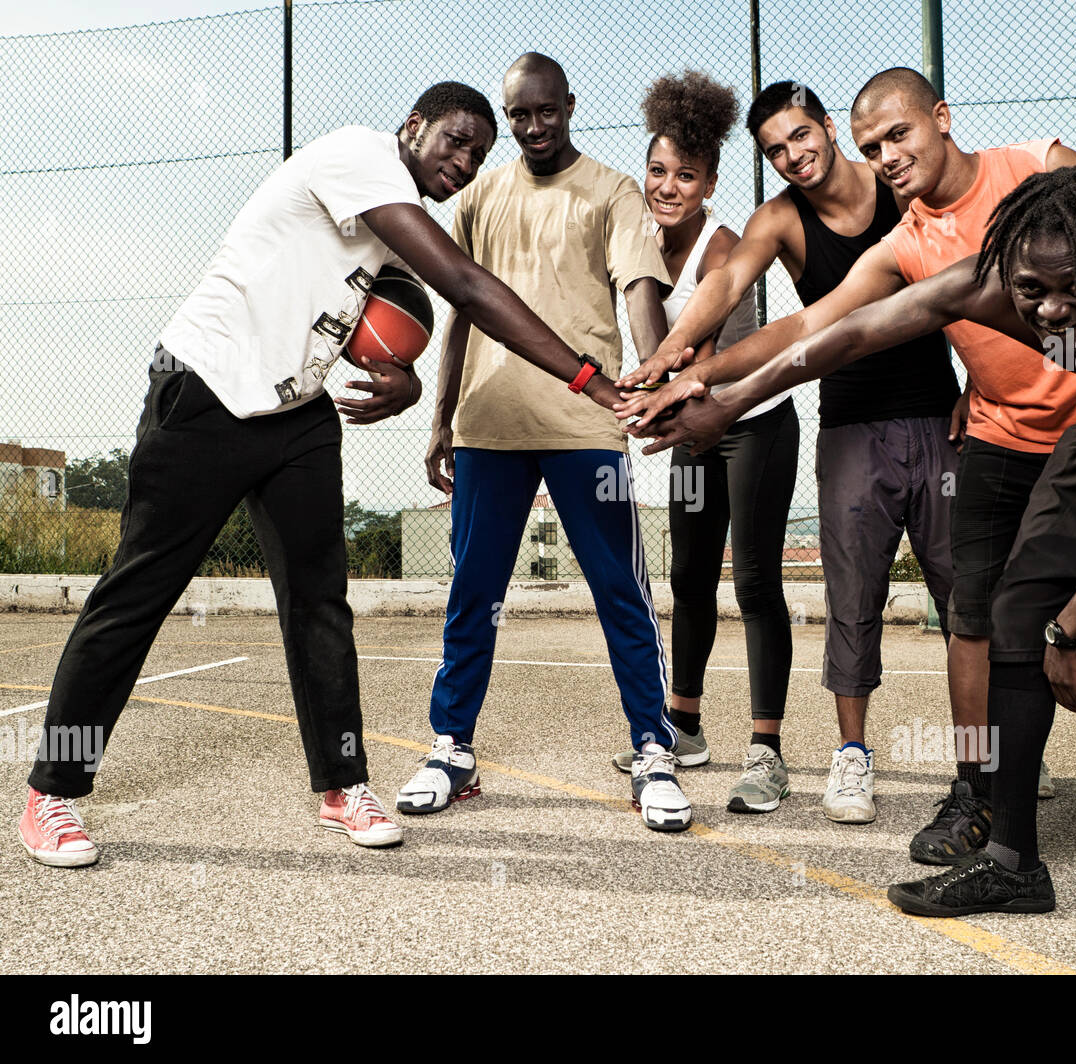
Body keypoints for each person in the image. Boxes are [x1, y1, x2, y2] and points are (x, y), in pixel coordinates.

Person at [619, 67, 1076, 875]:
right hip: (1005, 433)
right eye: (873, 147)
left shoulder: (1038, 165)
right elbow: (829, 327)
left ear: (941, 117)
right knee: (976, 616)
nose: (887, 156)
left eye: (897, 135)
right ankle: (979, 789)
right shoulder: (911, 244)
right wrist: (706, 379)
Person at [19, 82, 630, 867]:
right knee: (137, 594)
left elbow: (380, 318)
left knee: (319, 601)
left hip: (295, 410)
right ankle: (52, 791)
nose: (467, 162)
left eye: (480, 153)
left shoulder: (386, 221)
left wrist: (404, 379)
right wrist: (591, 380)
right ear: (413, 127)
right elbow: (467, 288)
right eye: (455, 141)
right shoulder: (358, 157)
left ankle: (342, 784)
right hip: (203, 389)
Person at [618, 80, 960, 826]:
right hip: (848, 419)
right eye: (775, 149)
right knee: (847, 600)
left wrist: (983, 382)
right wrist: (674, 357)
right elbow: (729, 283)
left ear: (829, 128)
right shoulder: (775, 220)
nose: (793, 155)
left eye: (801, 136)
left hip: (933, 414)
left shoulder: (898, 187)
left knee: (965, 600)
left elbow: (958, 281)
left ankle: (996, 757)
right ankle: (846, 756)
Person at [396, 54, 692, 832]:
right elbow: (461, 307)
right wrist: (440, 418)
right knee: (474, 598)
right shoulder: (480, 193)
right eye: (518, 116)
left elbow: (639, 291)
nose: (531, 128)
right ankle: (452, 749)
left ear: (568, 104)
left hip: (586, 426)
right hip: (488, 426)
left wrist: (655, 373)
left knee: (620, 594)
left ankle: (653, 753)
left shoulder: (611, 190)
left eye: (544, 112)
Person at [606, 71, 800, 814]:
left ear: (710, 181)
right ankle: (683, 726)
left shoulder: (724, 249)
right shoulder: (640, 250)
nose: (668, 186)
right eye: (657, 170)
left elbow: (696, 356)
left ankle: (768, 750)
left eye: (685, 175)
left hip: (753, 427)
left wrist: (651, 395)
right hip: (694, 435)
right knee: (689, 577)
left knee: (753, 582)